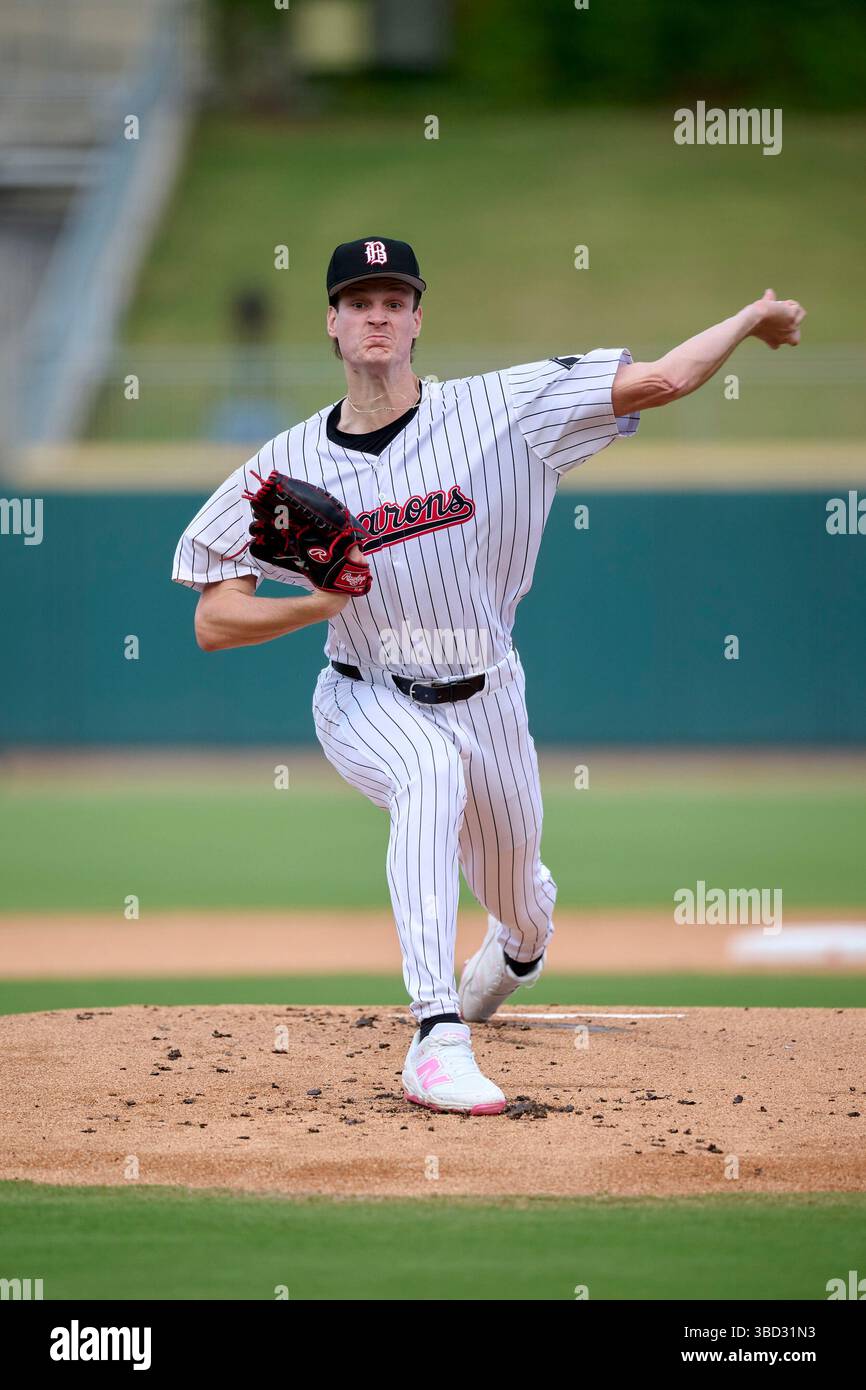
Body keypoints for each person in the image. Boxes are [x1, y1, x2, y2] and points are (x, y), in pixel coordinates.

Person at [172, 235, 805, 1115]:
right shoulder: (281, 468)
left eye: (394, 299)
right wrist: (315, 605)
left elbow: (660, 380)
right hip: (364, 692)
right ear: (333, 323)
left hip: (490, 694)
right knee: (428, 775)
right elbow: (213, 619)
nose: (378, 314)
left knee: (521, 900)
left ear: (418, 318)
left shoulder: (506, 407)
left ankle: (514, 954)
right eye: (360, 301)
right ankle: (436, 1035)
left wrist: (745, 320)